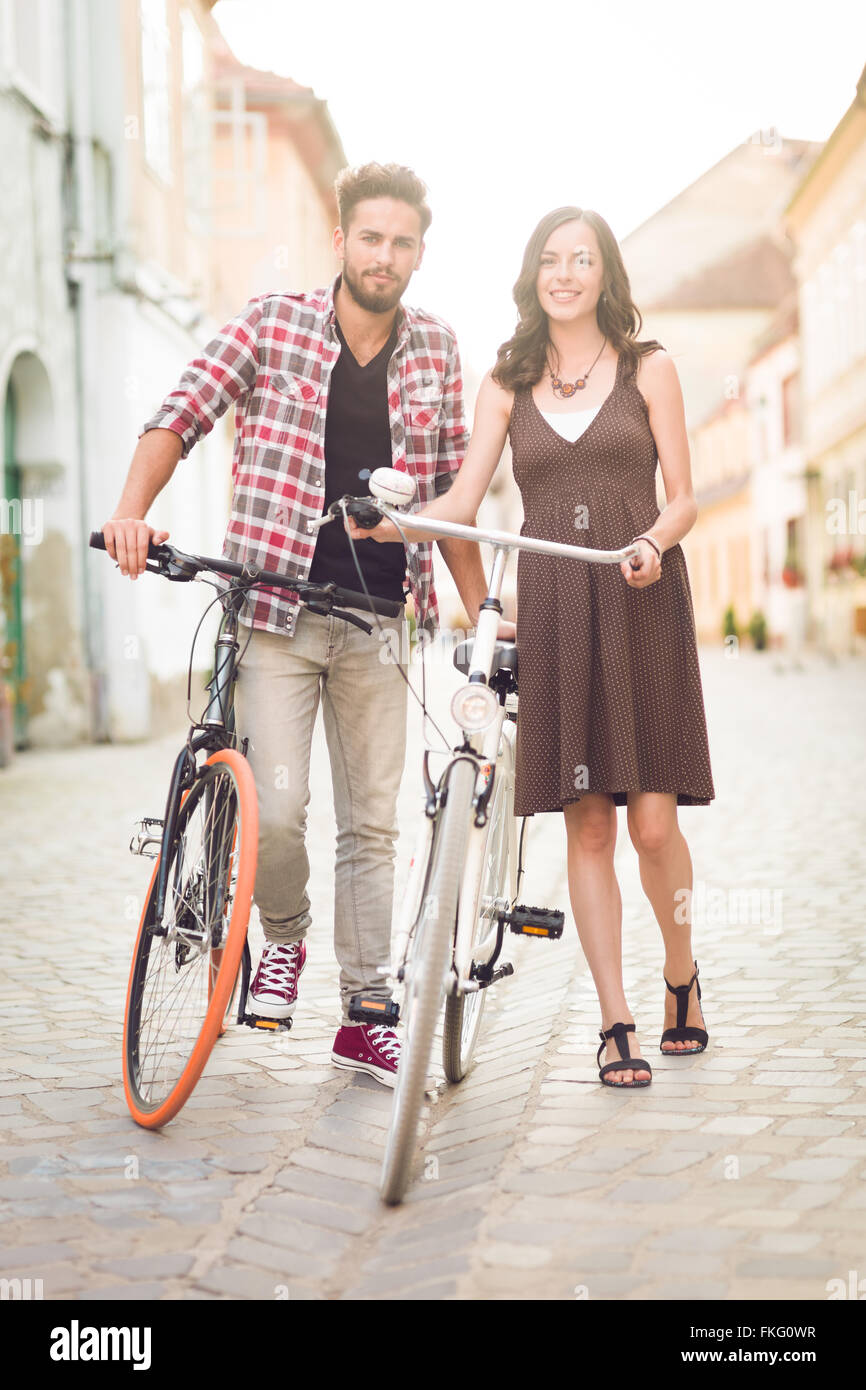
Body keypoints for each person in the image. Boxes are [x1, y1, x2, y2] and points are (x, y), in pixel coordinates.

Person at [102, 162, 512, 1088]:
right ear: (341, 240)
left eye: (403, 242)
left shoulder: (438, 350)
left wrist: (483, 619)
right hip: (278, 613)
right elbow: (182, 413)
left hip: (376, 622)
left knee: (372, 826)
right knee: (276, 811)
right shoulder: (273, 324)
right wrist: (133, 510)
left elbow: (450, 497)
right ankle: (280, 940)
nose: (386, 256)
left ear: (419, 251)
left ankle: (366, 1010)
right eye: (371, 237)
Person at [348, 205, 715, 1088]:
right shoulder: (507, 381)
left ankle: (681, 973)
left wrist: (655, 546)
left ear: (604, 274)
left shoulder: (649, 367)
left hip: (639, 594)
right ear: (532, 274)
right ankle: (615, 1019)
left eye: (582, 259)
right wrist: (393, 528)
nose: (565, 273)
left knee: (654, 824)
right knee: (588, 826)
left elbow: (685, 497)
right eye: (550, 259)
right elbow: (464, 502)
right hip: (554, 605)